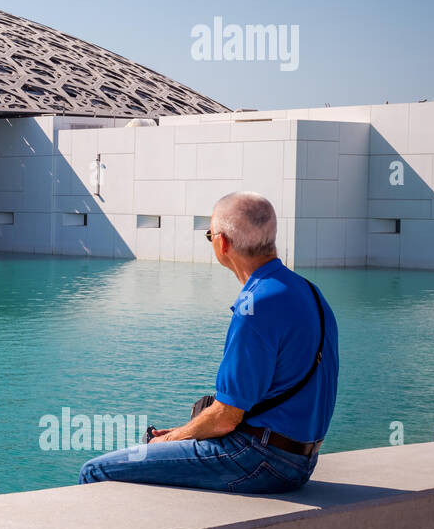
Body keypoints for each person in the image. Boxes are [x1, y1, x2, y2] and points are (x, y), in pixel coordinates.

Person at [79, 191, 338, 493]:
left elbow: (226, 418)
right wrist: (183, 432)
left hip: (261, 460)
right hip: (301, 460)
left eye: (209, 235)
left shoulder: (255, 305)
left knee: (95, 471)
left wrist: (168, 440)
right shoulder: (310, 292)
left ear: (223, 243)